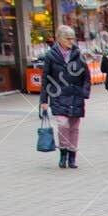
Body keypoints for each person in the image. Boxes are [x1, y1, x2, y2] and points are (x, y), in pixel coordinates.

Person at [39, 25, 91, 169]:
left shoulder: (78, 54)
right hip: (59, 95)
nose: (71, 41)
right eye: (68, 38)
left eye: (72, 38)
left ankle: (72, 156)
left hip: (75, 95)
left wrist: (84, 92)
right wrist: (44, 100)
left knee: (74, 126)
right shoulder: (51, 55)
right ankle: (63, 152)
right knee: (63, 124)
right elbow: (45, 78)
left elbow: (86, 76)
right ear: (59, 39)